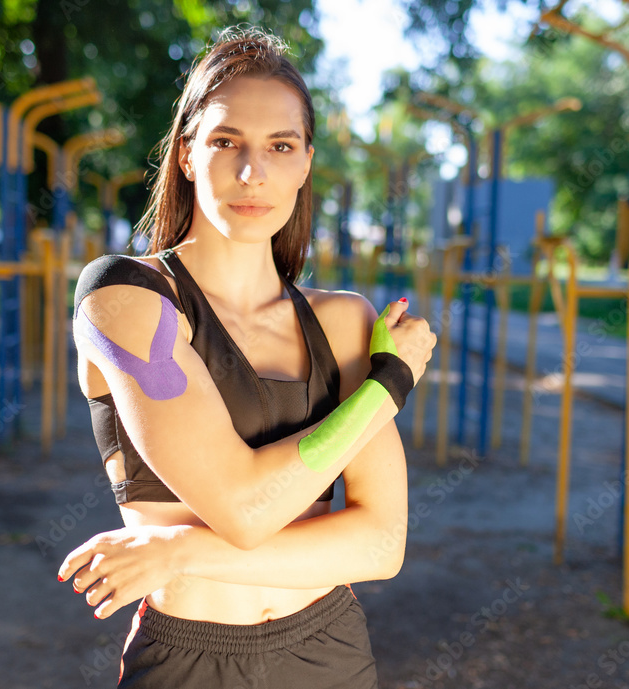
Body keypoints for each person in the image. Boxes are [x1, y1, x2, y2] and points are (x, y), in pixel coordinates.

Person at [57, 27, 436, 688]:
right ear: (185, 156)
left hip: (331, 649)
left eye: (279, 146)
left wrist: (177, 549)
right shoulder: (123, 298)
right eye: (226, 142)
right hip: (188, 660)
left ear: (306, 163)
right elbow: (243, 507)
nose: (251, 172)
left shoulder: (344, 321)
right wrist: (388, 385)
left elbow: (381, 544)